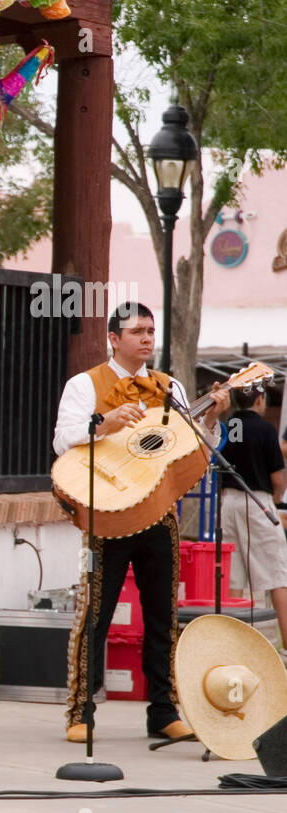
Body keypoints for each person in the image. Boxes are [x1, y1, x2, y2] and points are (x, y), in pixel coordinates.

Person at [53, 302, 228, 743]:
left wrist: (211, 417)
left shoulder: (169, 387)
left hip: (159, 513)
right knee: (95, 614)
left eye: (151, 331)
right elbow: (62, 440)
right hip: (107, 512)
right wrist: (104, 422)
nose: (147, 338)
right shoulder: (85, 384)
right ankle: (80, 711)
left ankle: (163, 711)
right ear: (113, 338)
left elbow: (192, 446)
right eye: (137, 331)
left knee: (161, 616)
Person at [220, 385, 287, 644]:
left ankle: (231, 638)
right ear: (259, 399)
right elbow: (277, 477)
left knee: (233, 572)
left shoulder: (227, 425)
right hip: (258, 499)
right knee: (277, 573)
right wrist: (278, 495)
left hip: (228, 501)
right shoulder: (264, 428)